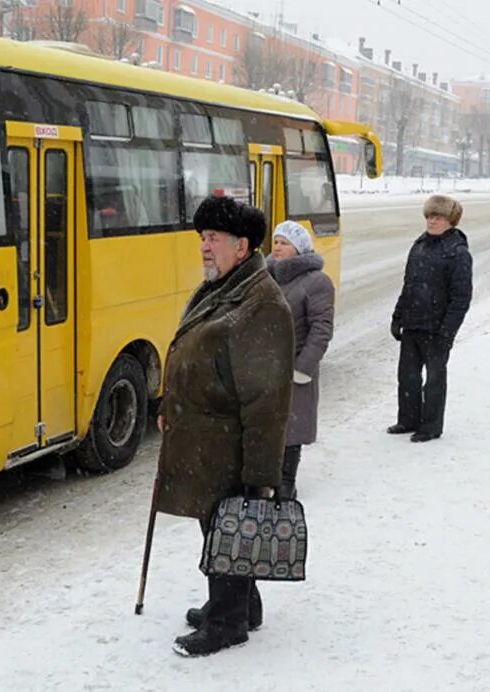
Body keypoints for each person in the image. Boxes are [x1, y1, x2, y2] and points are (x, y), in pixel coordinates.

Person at [154, 195, 295, 658]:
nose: (204, 247)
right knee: (219, 526)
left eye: (213, 238)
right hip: (206, 440)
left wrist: (260, 476)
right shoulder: (224, 286)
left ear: (243, 246)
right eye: (202, 238)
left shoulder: (261, 303)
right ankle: (241, 604)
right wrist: (168, 401)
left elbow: (266, 400)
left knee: (230, 524)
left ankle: (227, 622)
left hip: (231, 444)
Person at [388, 194, 473, 443]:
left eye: (438, 217)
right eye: (429, 216)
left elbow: (461, 299)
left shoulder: (457, 253)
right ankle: (408, 419)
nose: (432, 221)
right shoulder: (419, 246)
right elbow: (409, 285)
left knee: (434, 379)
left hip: (437, 329)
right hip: (413, 324)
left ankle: (431, 425)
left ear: (450, 221)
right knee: (407, 377)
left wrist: (447, 332)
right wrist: (398, 316)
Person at [267, 220, 336, 500]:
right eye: (276, 242)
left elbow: (321, 329)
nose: (278, 247)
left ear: (299, 248)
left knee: (292, 428)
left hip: (295, 366)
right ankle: (267, 477)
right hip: (264, 367)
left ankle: (286, 482)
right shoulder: (266, 276)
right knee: (267, 425)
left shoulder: (316, 281)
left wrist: (303, 368)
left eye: (285, 243)